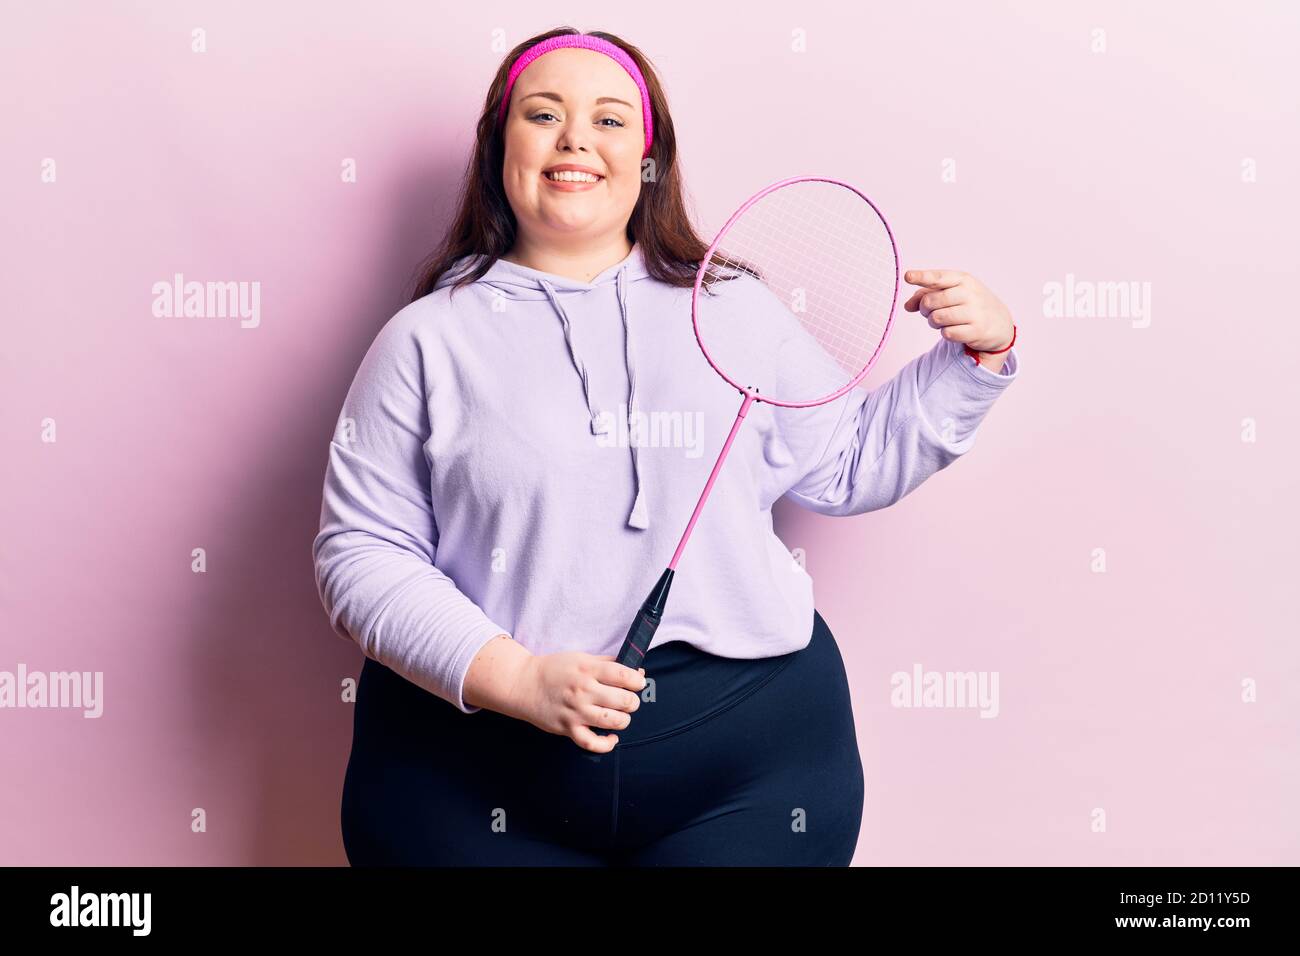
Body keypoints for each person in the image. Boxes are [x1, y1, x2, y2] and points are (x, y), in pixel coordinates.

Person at [311, 27, 1021, 866]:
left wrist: (978, 359)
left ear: (650, 157)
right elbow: (361, 553)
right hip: (472, 772)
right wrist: (516, 679)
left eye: (610, 120)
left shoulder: (732, 308)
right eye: (544, 113)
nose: (576, 136)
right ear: (501, 145)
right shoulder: (424, 340)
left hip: (748, 767)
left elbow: (848, 461)